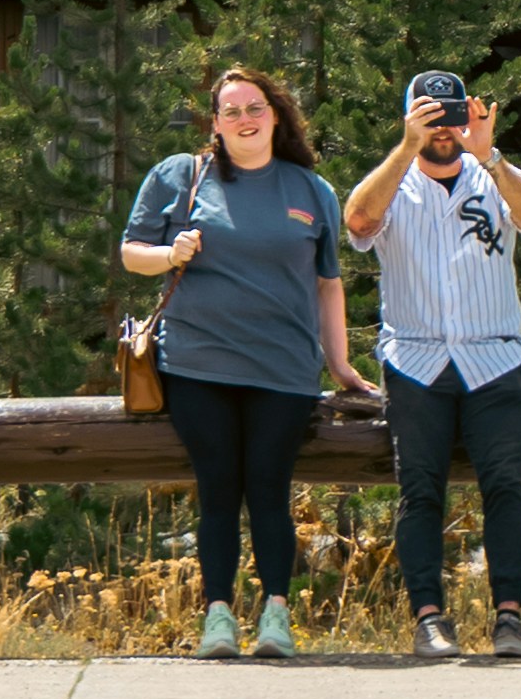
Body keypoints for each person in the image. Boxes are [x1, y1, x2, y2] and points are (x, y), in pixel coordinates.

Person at [119, 59, 351, 661]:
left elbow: (329, 283)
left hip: (285, 369)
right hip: (199, 362)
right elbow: (130, 254)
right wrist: (170, 252)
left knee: (270, 488)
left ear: (275, 116)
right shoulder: (181, 176)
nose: (244, 118)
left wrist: (343, 365)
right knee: (218, 487)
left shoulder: (311, 190)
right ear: (215, 123)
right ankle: (217, 617)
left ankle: (276, 616)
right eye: (231, 111)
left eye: (255, 108)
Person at [342, 68, 521, 663]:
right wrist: (405, 147)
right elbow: (358, 221)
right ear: (409, 117)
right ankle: (429, 618)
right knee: (420, 492)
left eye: (450, 114)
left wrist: (492, 157)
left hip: (493, 359)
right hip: (416, 361)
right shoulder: (394, 182)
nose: (442, 127)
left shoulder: (494, 178)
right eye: (428, 115)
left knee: (505, 487)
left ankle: (509, 618)